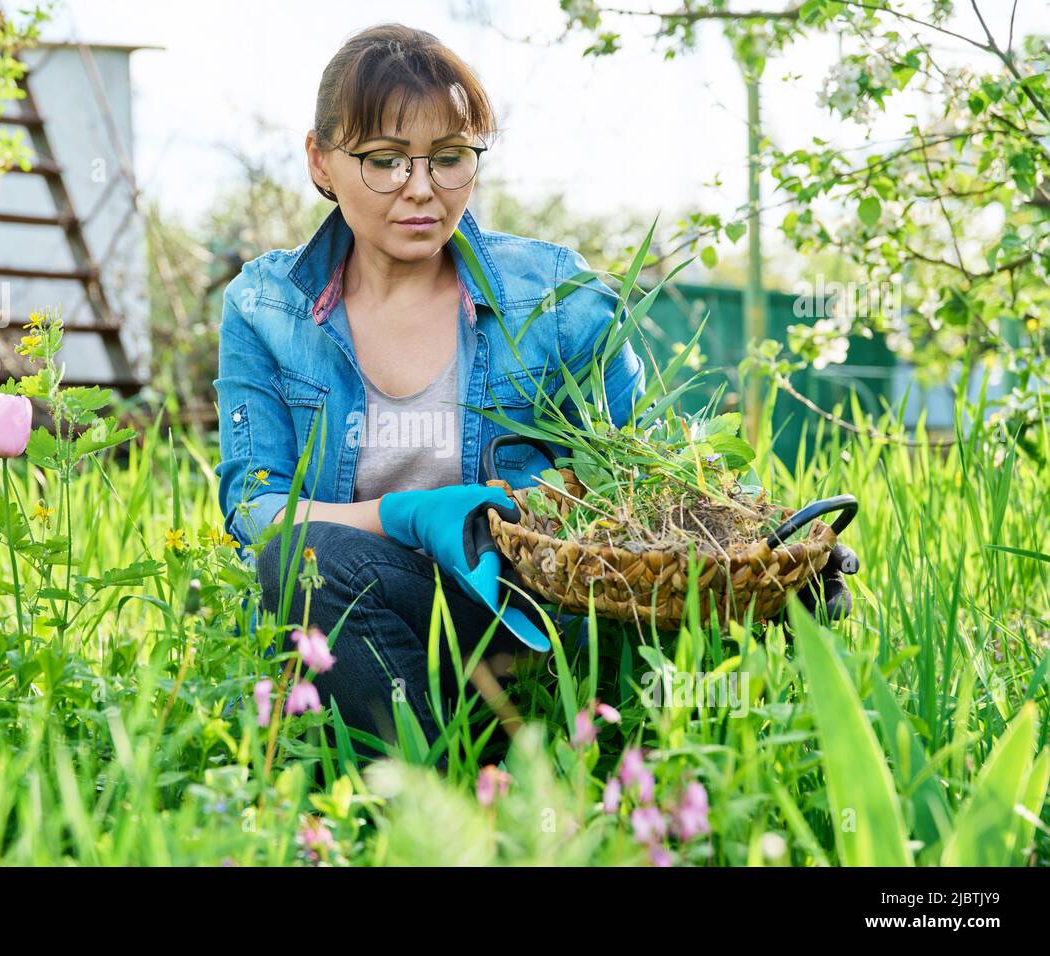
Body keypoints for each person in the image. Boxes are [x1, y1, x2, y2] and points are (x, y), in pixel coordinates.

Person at [213, 23, 854, 759]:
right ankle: (438, 799)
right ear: (321, 161)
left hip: (528, 623)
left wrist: (766, 554)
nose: (421, 190)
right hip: (363, 622)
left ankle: (489, 767)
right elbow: (256, 507)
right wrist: (407, 514)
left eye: (449, 159)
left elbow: (653, 472)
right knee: (303, 556)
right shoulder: (268, 307)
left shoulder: (556, 297)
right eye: (384, 161)